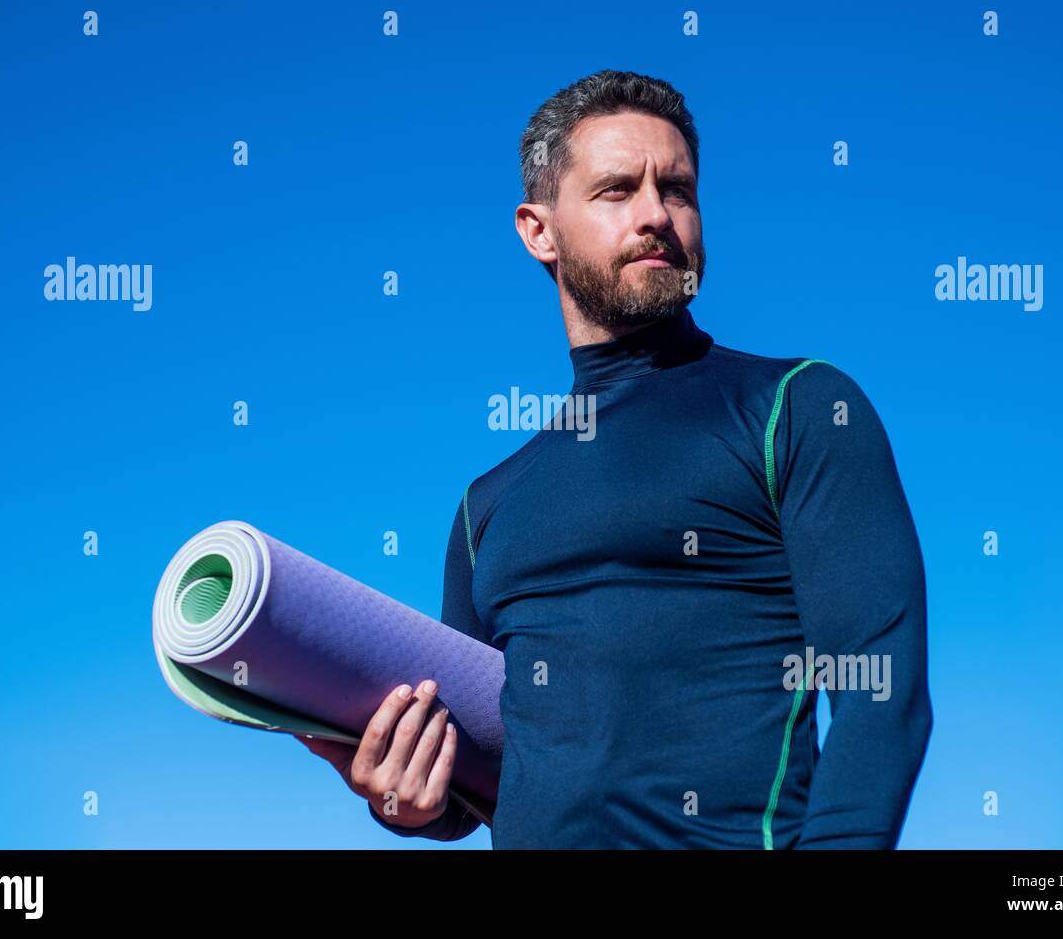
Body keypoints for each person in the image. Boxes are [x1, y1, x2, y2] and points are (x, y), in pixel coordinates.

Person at [300, 69, 933, 849]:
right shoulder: (484, 507)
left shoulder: (798, 407)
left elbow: (882, 695)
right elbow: (479, 784)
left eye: (677, 188)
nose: (655, 215)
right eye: (615, 191)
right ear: (540, 231)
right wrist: (404, 795)